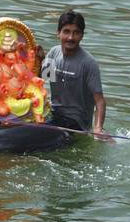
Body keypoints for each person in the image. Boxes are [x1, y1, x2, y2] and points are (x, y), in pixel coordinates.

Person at [41, 9, 107, 138]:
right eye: (66, 32)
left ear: (82, 36)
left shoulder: (88, 63)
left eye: (76, 33)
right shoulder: (54, 53)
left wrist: (98, 128)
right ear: (58, 33)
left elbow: (100, 101)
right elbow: (40, 81)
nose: (70, 38)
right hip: (53, 115)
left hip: (77, 123)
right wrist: (37, 60)